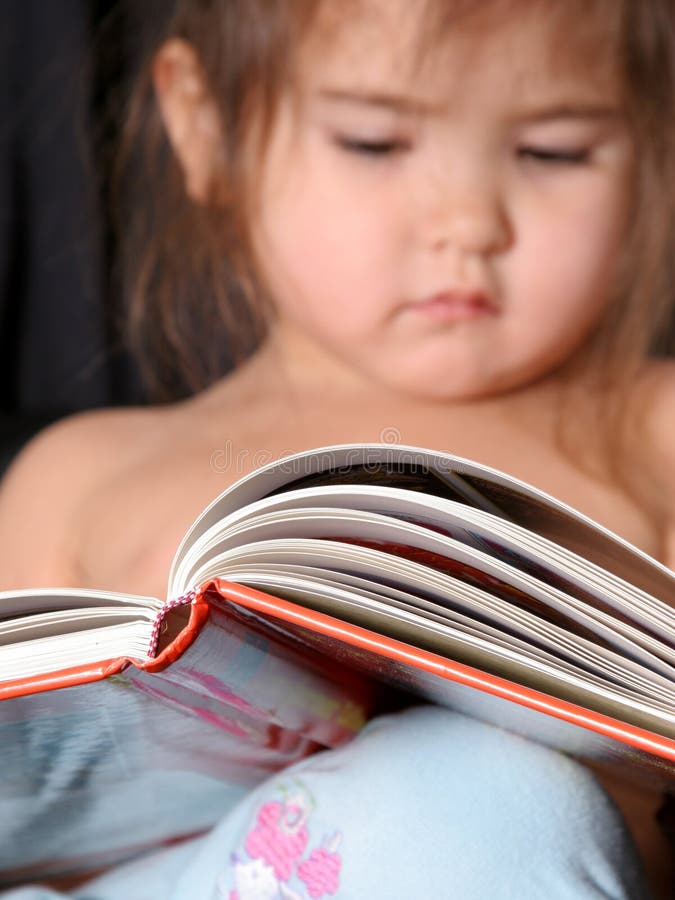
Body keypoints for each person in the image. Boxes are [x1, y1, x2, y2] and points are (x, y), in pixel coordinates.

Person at [0, 0, 673, 896]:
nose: (468, 223)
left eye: (552, 151)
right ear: (207, 130)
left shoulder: (651, 430)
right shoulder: (83, 471)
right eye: (372, 142)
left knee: (489, 800)